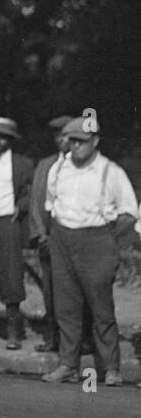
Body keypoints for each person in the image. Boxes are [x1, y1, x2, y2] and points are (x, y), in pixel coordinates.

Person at [41, 116, 139, 387]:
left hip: (97, 240)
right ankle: (67, 365)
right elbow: (51, 206)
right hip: (63, 238)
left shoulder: (111, 172)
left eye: (82, 141)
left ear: (95, 141)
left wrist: (108, 242)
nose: (76, 147)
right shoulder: (59, 169)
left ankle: (112, 368)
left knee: (101, 307)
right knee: (66, 306)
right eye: (71, 141)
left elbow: (129, 213)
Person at [0, 117, 34, 349]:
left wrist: (19, 206)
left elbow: (30, 192)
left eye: (3, 137)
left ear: (10, 140)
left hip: (7, 223)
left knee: (11, 275)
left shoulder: (21, 164)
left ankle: (13, 332)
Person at [28, 116, 73, 352]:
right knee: (50, 289)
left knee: (73, 290)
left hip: (70, 236)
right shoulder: (46, 165)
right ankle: (53, 337)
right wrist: (41, 234)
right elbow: (36, 201)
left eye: (65, 135)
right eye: (57, 136)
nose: (61, 140)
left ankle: (76, 339)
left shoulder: (79, 165)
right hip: (48, 236)